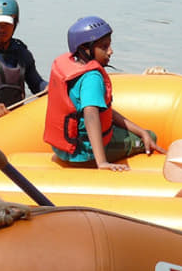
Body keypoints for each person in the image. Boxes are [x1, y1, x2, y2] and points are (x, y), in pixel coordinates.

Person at [43, 16, 163, 171]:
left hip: (65, 150)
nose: (110, 51)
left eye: (109, 45)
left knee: (142, 133)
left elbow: (102, 112)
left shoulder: (73, 66)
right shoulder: (92, 77)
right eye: (104, 47)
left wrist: (139, 130)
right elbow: (91, 115)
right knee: (151, 136)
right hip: (85, 153)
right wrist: (102, 162)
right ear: (86, 49)